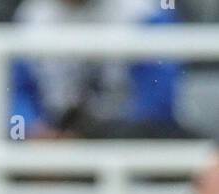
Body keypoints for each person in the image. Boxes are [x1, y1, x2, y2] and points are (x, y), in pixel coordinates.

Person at [10, 0, 186, 140]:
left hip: (123, 135)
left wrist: (87, 139)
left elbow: (156, 104)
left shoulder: (145, 13)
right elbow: (17, 92)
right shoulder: (31, 16)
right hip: (55, 134)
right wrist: (33, 129)